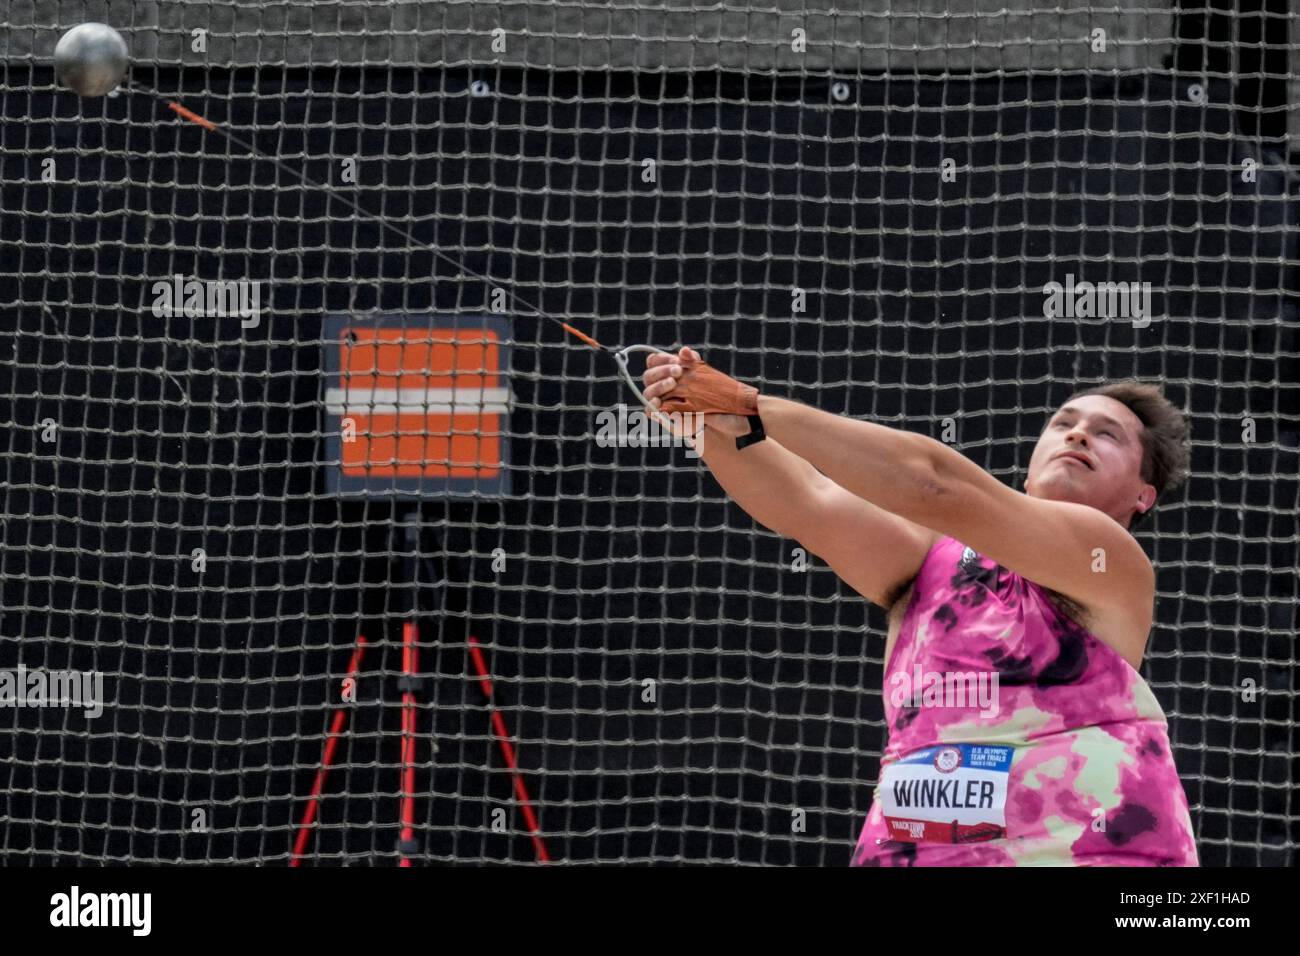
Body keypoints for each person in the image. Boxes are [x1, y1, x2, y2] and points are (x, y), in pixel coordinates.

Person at [642, 347, 1198, 866]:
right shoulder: (934, 560)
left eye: (1108, 436)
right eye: (1064, 423)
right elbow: (808, 503)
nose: (1078, 435)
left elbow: (934, 487)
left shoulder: (1111, 564)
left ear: (1142, 496)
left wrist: (752, 405)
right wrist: (708, 423)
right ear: (1029, 466)